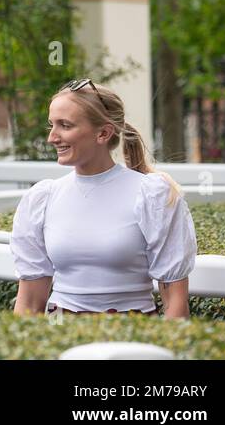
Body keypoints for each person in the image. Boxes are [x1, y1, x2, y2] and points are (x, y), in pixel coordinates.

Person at [11, 79, 197, 318]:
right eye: (52, 126)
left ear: (103, 133)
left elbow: (175, 301)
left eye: (65, 126)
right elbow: (29, 301)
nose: (52, 138)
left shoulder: (152, 195)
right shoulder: (42, 199)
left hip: (131, 336)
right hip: (58, 333)